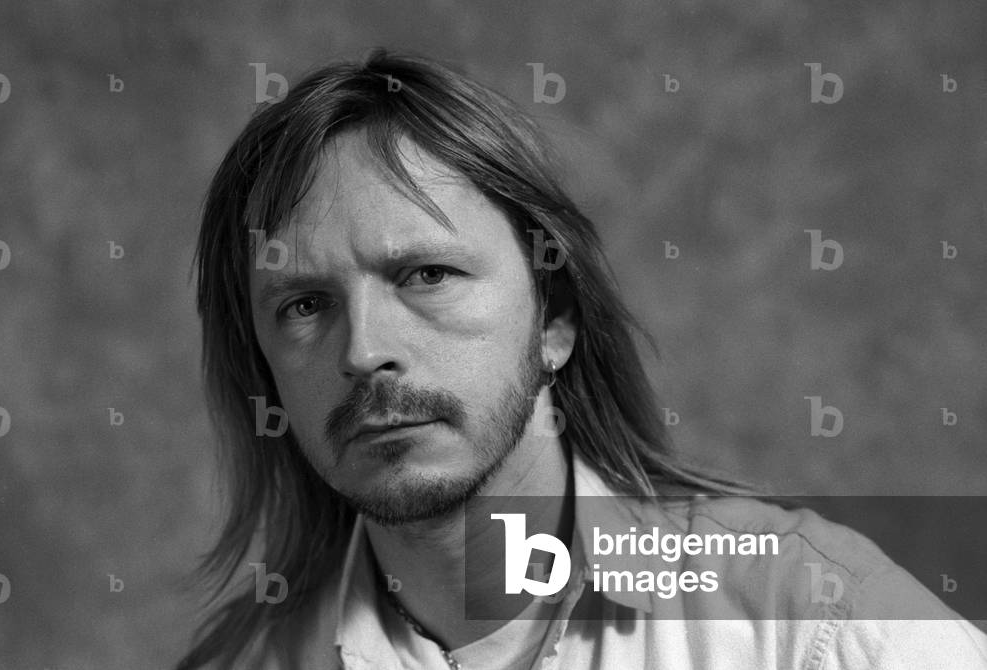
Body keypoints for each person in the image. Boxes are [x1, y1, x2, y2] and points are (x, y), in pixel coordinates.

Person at [178, 48, 987, 670]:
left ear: (554, 320)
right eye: (304, 305)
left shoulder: (809, 621)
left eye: (426, 275)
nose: (363, 351)